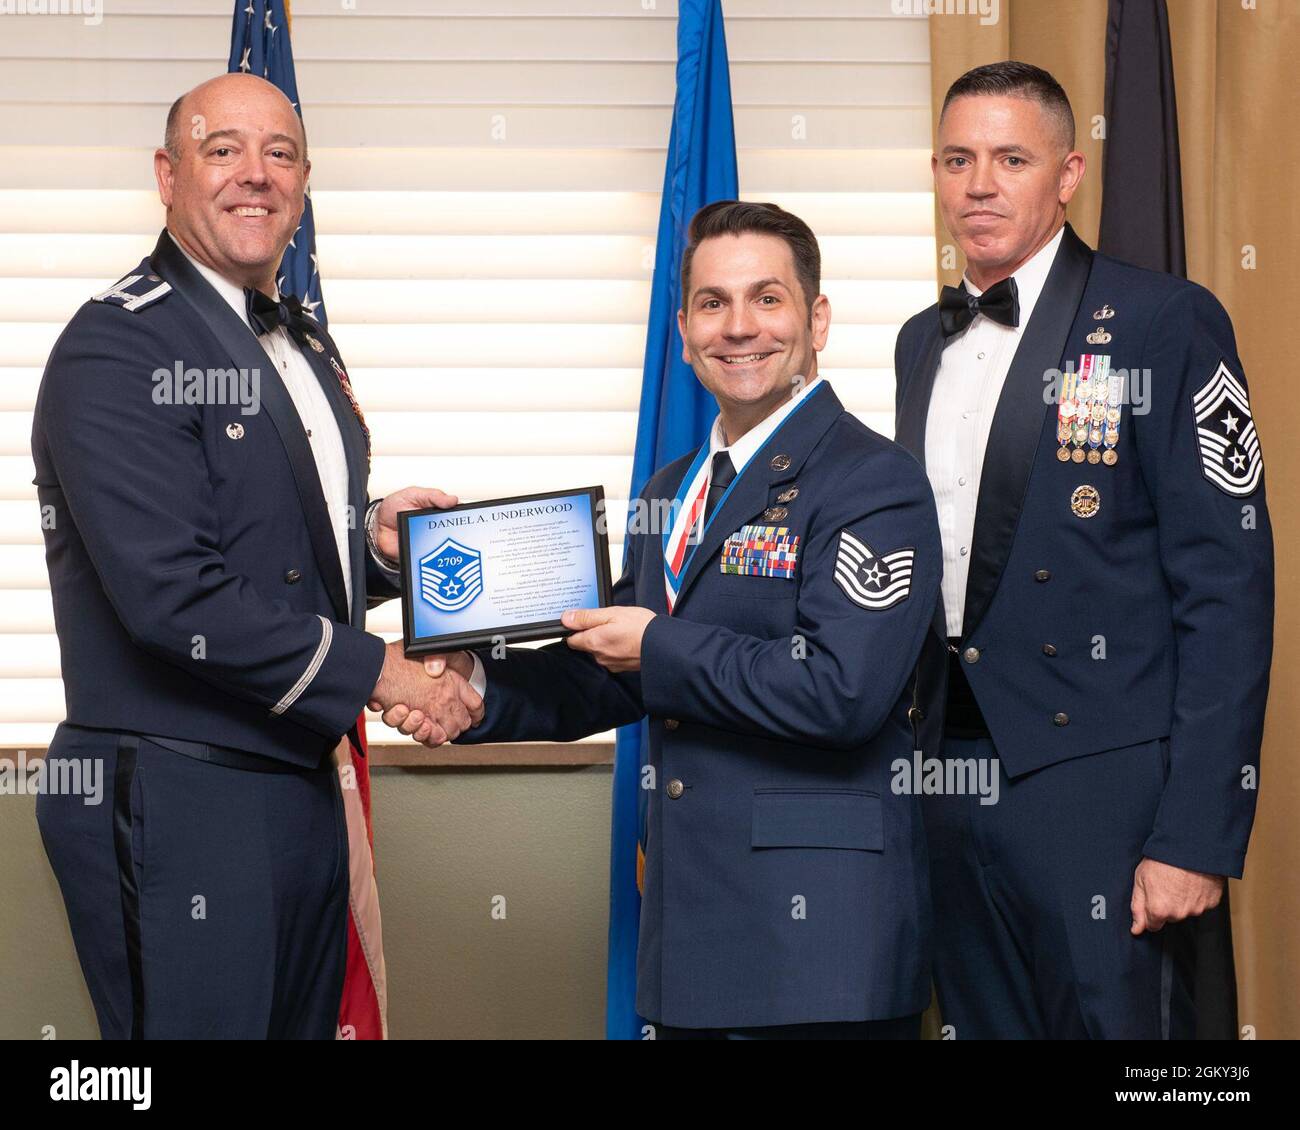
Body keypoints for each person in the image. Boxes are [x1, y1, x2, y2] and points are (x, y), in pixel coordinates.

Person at [402, 201, 942, 1038]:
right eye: (713, 305)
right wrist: (473, 687)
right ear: (684, 330)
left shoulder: (874, 481)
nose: (739, 328)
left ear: (818, 318)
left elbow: (844, 691)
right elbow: (615, 676)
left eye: (768, 299)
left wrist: (656, 641)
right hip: (691, 934)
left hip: (822, 946)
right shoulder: (672, 489)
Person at [30, 73, 482, 1039]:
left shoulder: (304, 341)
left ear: (305, 184)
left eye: (280, 154)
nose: (256, 176)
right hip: (177, 793)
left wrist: (378, 545)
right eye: (222, 149)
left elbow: (270, 549)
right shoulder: (117, 345)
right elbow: (175, 599)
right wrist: (390, 673)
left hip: (294, 780)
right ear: (167, 174)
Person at [893, 60, 1273, 1039]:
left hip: (1102, 789)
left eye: (1010, 158)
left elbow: (1226, 589)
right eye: (957, 159)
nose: (978, 184)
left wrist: (1195, 833)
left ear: (1066, 174)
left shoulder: (1163, 320)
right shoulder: (916, 342)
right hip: (947, 779)